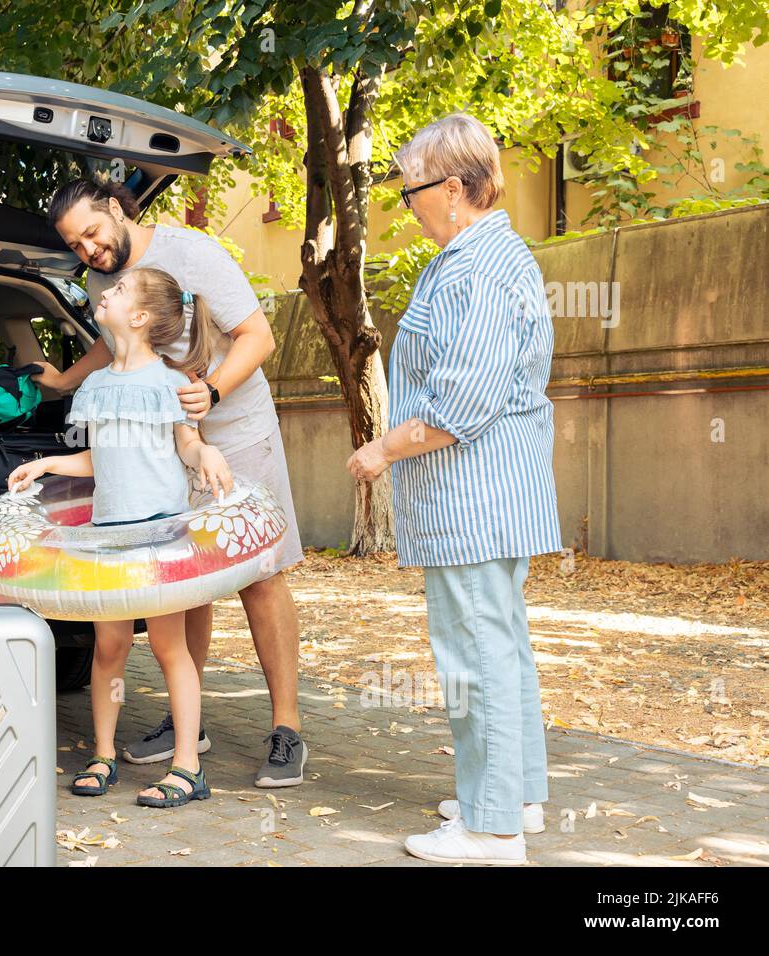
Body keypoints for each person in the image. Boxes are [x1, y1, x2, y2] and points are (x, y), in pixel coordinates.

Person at [39, 178, 308, 788]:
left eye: (92, 232)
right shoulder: (101, 283)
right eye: (75, 245)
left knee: (260, 576)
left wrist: (210, 392)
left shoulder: (194, 254)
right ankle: (190, 723)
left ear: (115, 208)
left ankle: (286, 729)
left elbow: (257, 337)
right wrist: (60, 382)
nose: (88, 250)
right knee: (185, 585)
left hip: (233, 429)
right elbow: (114, 351)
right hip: (167, 441)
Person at [346, 113, 560, 865]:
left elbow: (461, 403)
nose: (407, 202)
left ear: (458, 188)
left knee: (476, 653)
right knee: (502, 644)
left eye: (414, 190)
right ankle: (515, 796)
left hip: (473, 495)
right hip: (492, 492)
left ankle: (491, 827)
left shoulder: (476, 267)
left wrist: (381, 448)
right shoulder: (484, 256)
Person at [7, 268, 233, 807]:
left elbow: (186, 445)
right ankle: (103, 753)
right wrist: (47, 464)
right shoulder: (98, 383)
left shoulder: (170, 383)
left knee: (166, 647)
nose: (103, 292)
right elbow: (102, 458)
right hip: (108, 534)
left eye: (118, 291)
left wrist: (208, 453)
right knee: (107, 647)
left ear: (138, 317)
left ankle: (187, 765)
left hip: (158, 533)